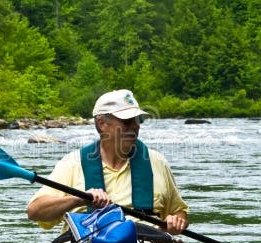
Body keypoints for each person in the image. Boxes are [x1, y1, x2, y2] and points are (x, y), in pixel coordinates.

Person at [26, 89, 189, 235]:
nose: (135, 126)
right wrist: (78, 199)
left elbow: (179, 212)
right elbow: (34, 211)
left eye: (137, 120)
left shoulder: (157, 162)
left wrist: (176, 221)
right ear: (101, 124)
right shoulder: (72, 163)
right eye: (126, 121)